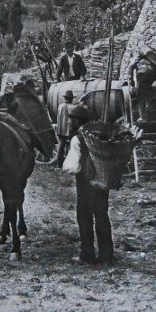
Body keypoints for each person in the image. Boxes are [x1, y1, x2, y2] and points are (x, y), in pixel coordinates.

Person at [62, 132, 114, 266]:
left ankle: (87, 255)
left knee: (84, 218)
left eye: (72, 119)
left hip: (86, 183)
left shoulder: (77, 139)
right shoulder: (100, 136)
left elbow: (71, 167)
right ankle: (106, 256)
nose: (70, 122)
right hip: (102, 183)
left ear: (77, 120)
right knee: (102, 216)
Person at [55, 90, 78, 166]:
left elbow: (58, 118)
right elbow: (73, 121)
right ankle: (69, 164)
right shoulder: (72, 107)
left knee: (61, 147)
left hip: (61, 129)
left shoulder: (60, 106)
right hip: (70, 130)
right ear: (71, 98)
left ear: (65, 98)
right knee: (71, 148)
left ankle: (59, 164)